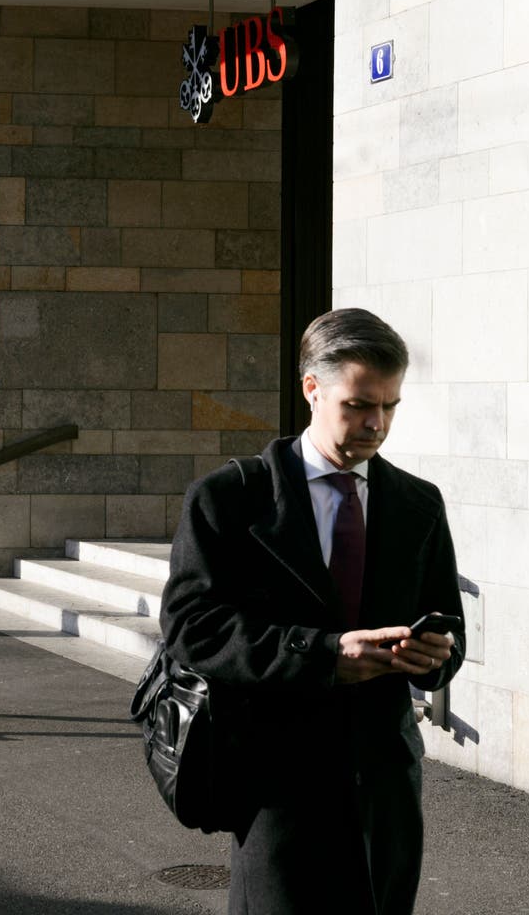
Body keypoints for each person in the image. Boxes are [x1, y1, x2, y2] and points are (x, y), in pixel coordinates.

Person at [159, 308, 465, 915]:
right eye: (357, 405)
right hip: (277, 784)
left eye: (390, 406)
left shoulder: (417, 504)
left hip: (384, 786)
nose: (375, 424)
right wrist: (324, 655)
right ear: (312, 389)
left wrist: (433, 658)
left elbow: (445, 625)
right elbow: (192, 628)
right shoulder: (231, 498)